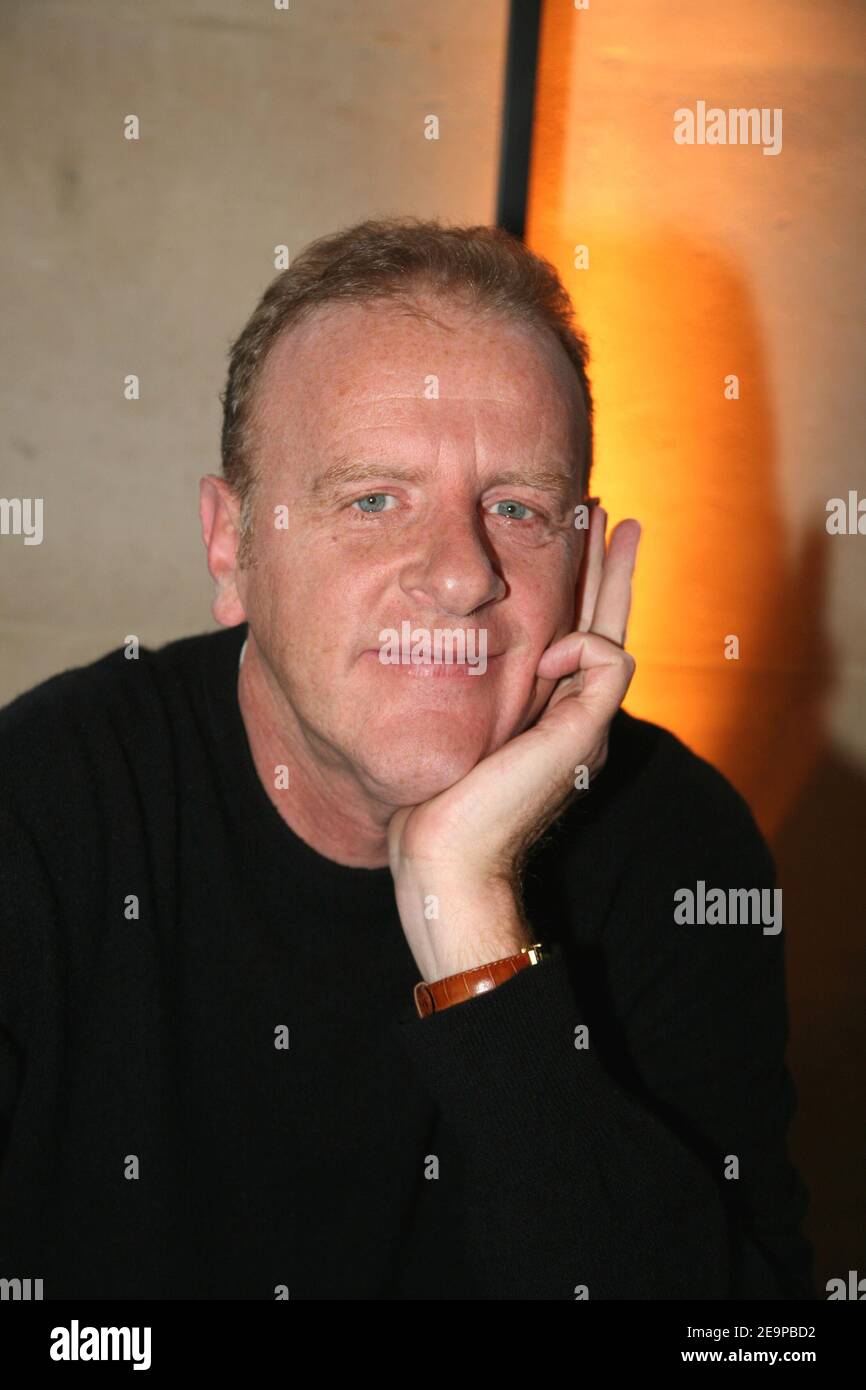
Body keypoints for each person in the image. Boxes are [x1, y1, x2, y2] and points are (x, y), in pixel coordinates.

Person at [0, 217, 813, 1300]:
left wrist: (470, 918)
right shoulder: (43, 806)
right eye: (373, 500)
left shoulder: (677, 850)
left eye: (517, 508)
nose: (459, 573)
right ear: (229, 544)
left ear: (583, 557)